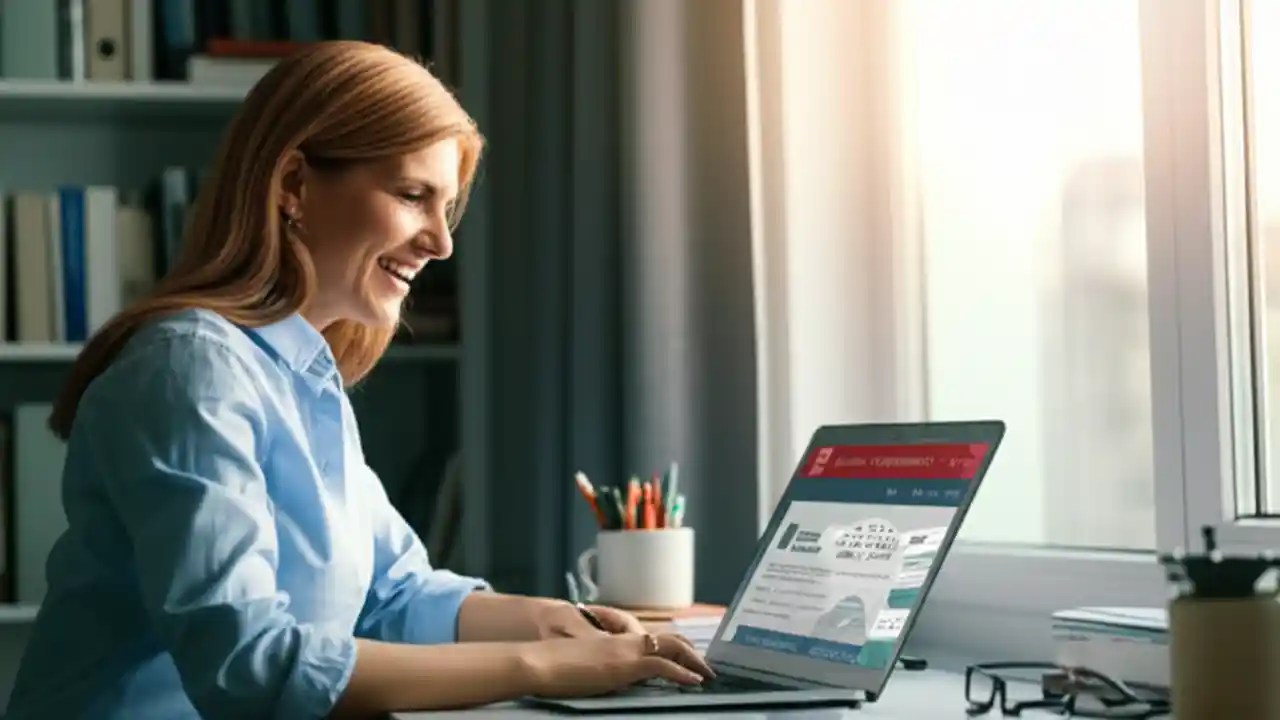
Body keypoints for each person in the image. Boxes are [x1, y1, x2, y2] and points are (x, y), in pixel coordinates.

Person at [4, 41, 712, 720]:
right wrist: (544, 667)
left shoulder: (302, 374)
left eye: (445, 207)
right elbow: (250, 666)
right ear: (293, 186)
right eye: (412, 195)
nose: (441, 242)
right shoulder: (190, 368)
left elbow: (393, 593)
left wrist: (561, 623)